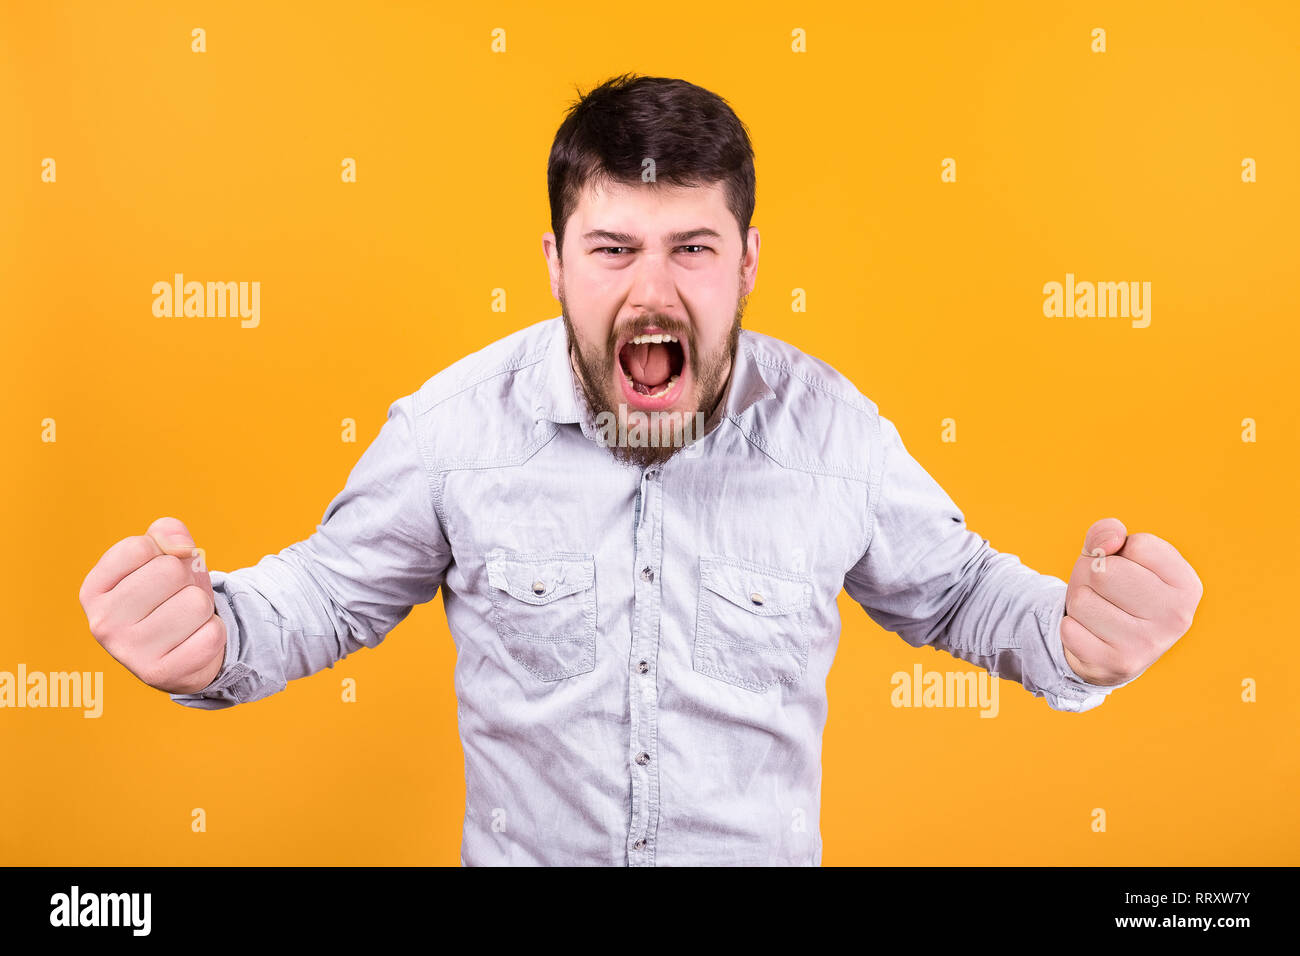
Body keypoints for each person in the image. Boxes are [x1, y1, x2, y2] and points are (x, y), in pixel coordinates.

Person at [78, 73, 1204, 866]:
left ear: (749, 263)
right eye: (613, 249)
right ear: (556, 264)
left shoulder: (831, 431)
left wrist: (1075, 641)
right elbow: (322, 594)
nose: (651, 292)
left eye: (693, 248)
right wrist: (211, 637)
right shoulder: (452, 428)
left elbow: (958, 590)